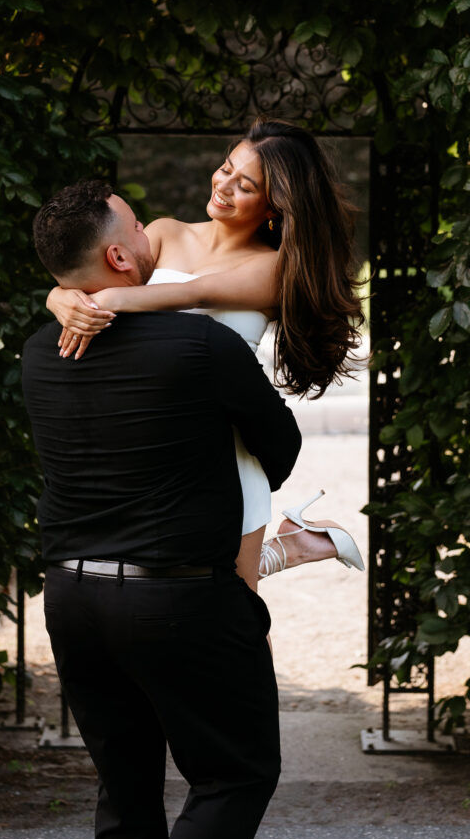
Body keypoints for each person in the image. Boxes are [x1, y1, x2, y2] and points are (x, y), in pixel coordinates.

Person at [23, 179, 302, 839]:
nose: (152, 230)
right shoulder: (196, 348)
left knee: (127, 781)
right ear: (118, 256)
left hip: (71, 596)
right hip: (178, 595)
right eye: (137, 225)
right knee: (236, 771)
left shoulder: (41, 350)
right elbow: (282, 448)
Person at [46, 119, 365, 588]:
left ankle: (283, 550)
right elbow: (94, 276)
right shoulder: (164, 232)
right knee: (162, 590)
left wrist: (98, 301)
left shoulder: (275, 268)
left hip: (227, 453)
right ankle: (290, 546)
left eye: (247, 185)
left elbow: (189, 295)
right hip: (155, 441)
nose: (224, 186)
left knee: (235, 611)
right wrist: (58, 298)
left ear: (276, 205)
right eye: (225, 168)